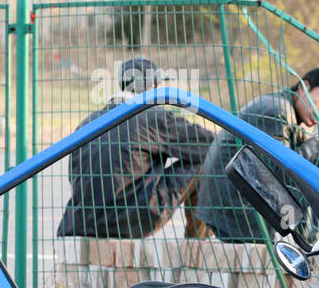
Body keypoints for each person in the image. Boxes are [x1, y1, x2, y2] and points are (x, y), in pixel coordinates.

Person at [57, 58, 214, 240]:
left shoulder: (87, 123)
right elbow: (211, 144)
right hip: (130, 222)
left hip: (83, 222)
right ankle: (197, 248)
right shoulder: (153, 117)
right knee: (206, 158)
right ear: (153, 88)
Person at [194, 66, 319, 243]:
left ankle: (312, 241)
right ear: (303, 86)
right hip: (235, 209)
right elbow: (279, 171)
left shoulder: (283, 107)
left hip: (236, 202)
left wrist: (317, 142)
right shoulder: (277, 110)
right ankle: (314, 242)